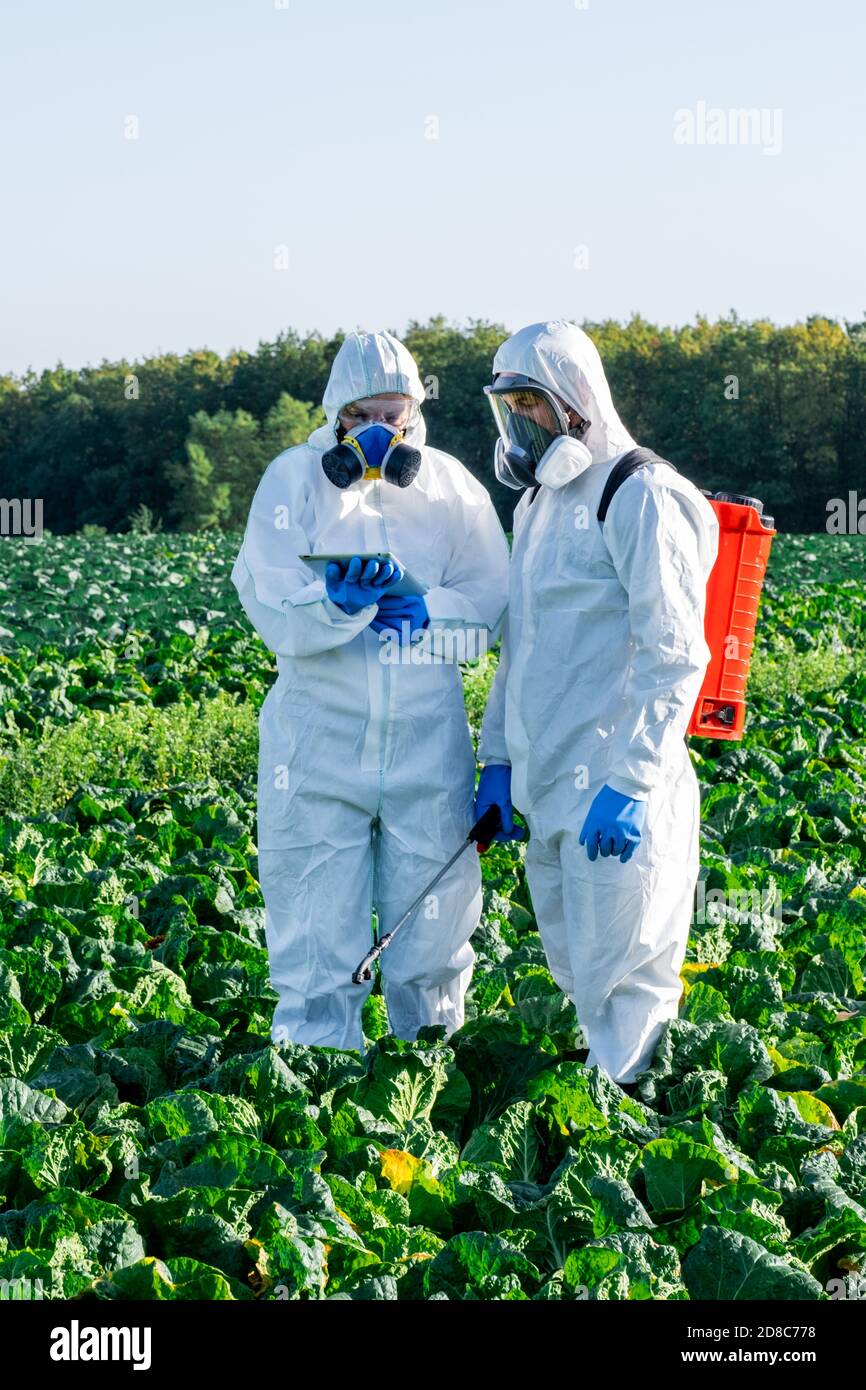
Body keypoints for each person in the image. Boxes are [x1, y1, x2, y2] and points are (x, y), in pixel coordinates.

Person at [232, 330, 510, 1053]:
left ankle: (428, 1087)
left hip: (428, 749)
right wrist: (335, 604)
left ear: (417, 413)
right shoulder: (293, 481)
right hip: (317, 749)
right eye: (365, 417)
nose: (382, 433)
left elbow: (488, 616)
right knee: (315, 940)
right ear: (336, 416)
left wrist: (431, 615)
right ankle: (319, 1091)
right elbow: (270, 609)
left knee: (435, 939)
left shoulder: (452, 488)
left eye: (397, 415)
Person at [475, 320, 719, 1086]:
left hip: (617, 792)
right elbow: (524, 651)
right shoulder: (537, 508)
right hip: (550, 789)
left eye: (532, 406)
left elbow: (675, 652)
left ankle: (633, 1145)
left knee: (630, 983)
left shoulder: (639, 491)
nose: (523, 425)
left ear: (575, 403)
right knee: (582, 973)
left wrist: (633, 781)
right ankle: (611, 1121)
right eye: (511, 408)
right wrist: (498, 762)